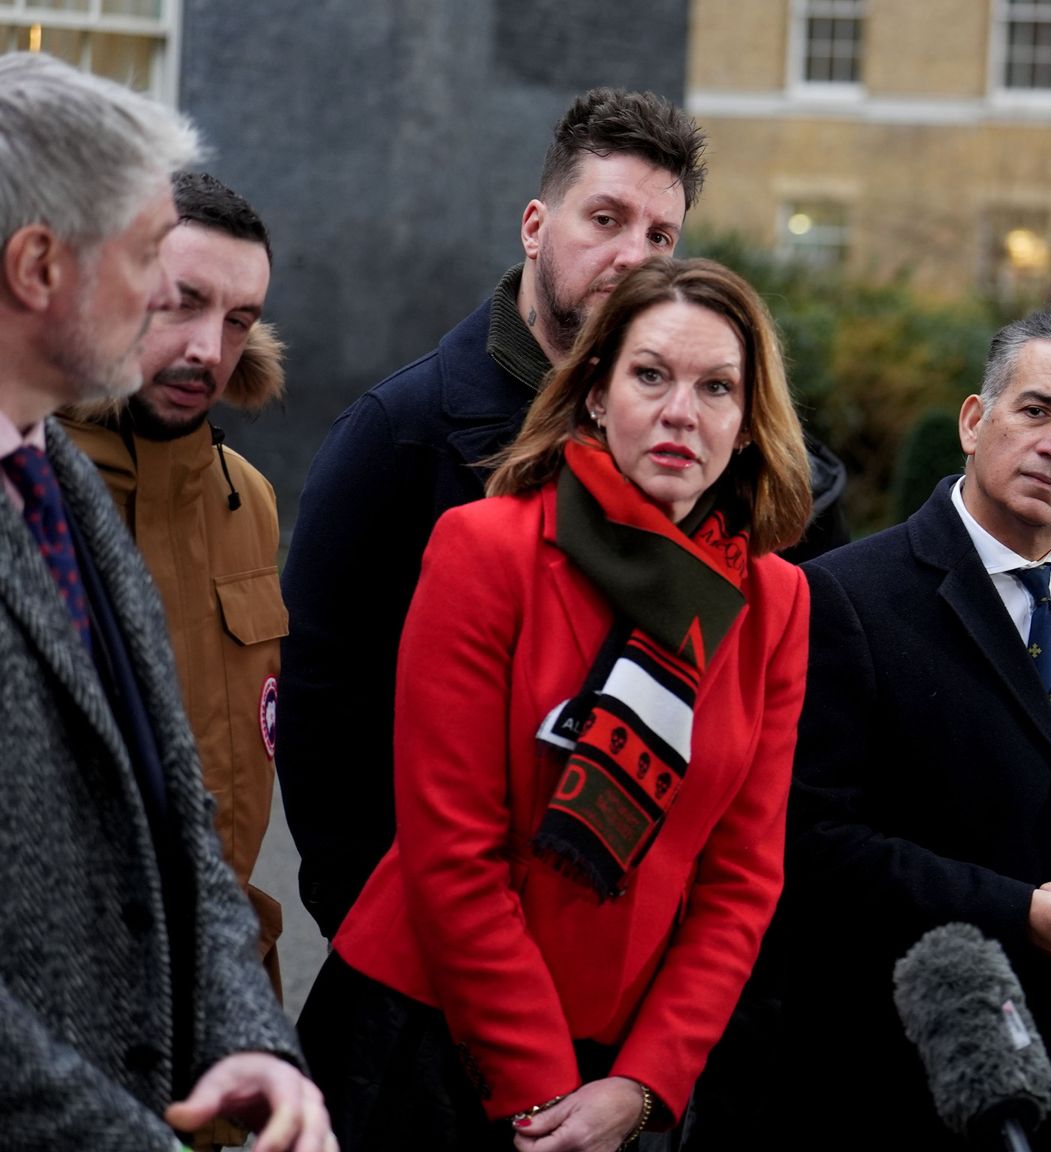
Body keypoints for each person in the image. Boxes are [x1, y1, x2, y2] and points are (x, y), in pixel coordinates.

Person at [298, 257, 812, 1150]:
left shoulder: (774, 605)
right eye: (650, 375)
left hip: (621, 1075)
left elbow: (741, 880)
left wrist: (646, 1084)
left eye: (716, 387)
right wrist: (543, 1090)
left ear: (748, 423)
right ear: (595, 395)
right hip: (424, 1041)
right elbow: (451, 848)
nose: (680, 412)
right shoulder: (484, 550)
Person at [775, 304, 1051, 1149]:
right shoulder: (846, 597)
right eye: (1036, 410)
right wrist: (1016, 912)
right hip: (905, 1080)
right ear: (974, 421)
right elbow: (816, 843)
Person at [277, 86, 707, 938]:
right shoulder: (398, 434)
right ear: (536, 226)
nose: (632, 257)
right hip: (427, 944)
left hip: (611, 952)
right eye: (606, 219)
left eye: (659, 237)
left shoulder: (682, 453)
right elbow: (320, 707)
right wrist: (376, 921)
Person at [0, 52, 330, 1151]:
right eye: (158, 274)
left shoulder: (182, 500)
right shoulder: (64, 475)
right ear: (42, 262)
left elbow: (195, 809)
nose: (197, 341)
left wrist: (252, 1036)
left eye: (239, 316)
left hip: (193, 1060)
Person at [60, 172, 290, 1010]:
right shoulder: (25, 489)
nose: (208, 348)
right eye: (181, 303)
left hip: (208, 1012)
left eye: (239, 321)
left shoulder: (247, 502)